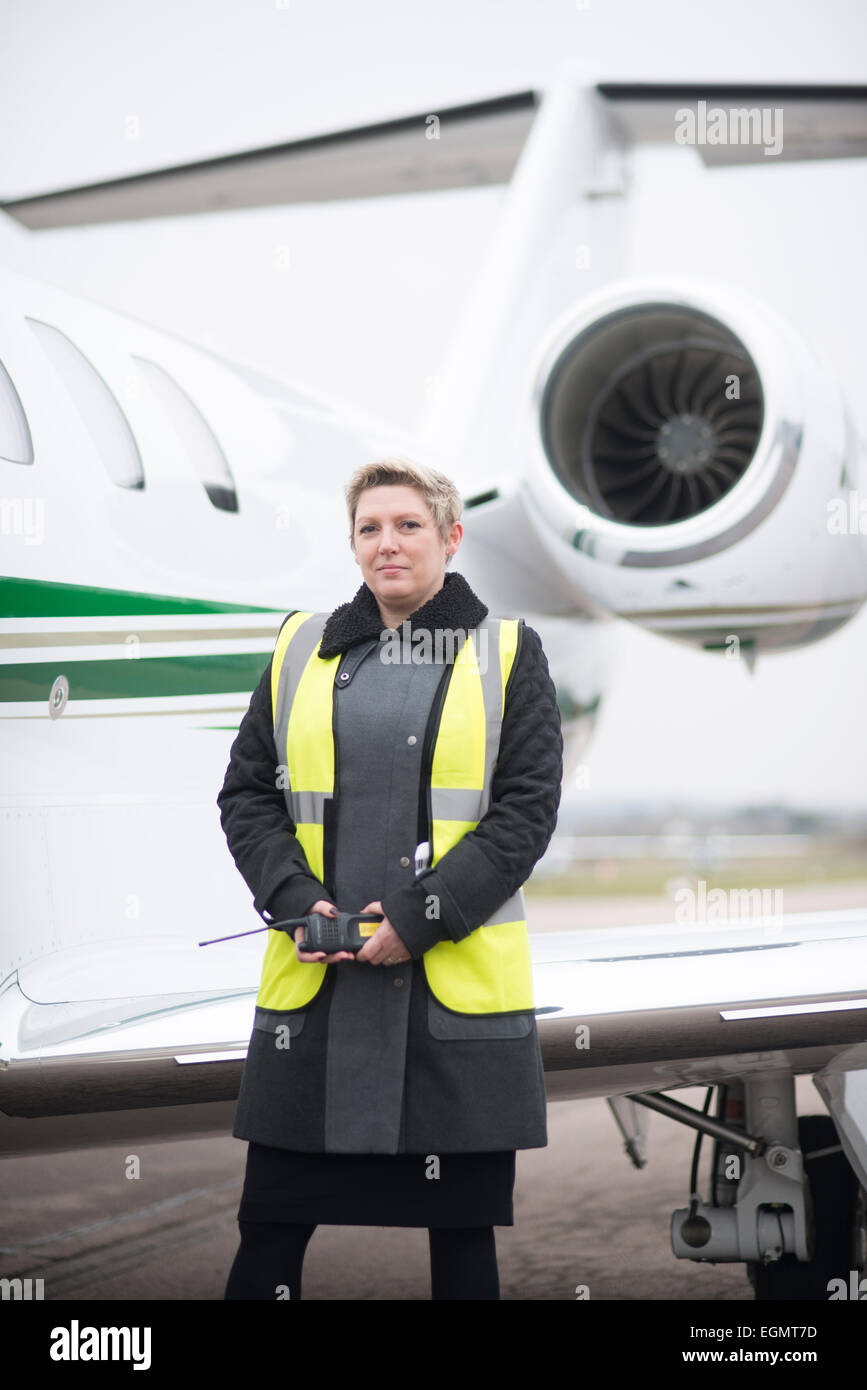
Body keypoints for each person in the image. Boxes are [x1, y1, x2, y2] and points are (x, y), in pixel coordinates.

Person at [218, 458, 563, 1300]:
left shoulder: (508, 653)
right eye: (369, 528)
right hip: (318, 995)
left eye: (407, 525)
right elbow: (245, 795)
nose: (387, 544)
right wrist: (298, 904)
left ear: (449, 537)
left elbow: (523, 816)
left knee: (460, 1238)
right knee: (268, 1223)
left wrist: (419, 916)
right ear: (353, 544)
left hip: (450, 1004)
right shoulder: (300, 646)